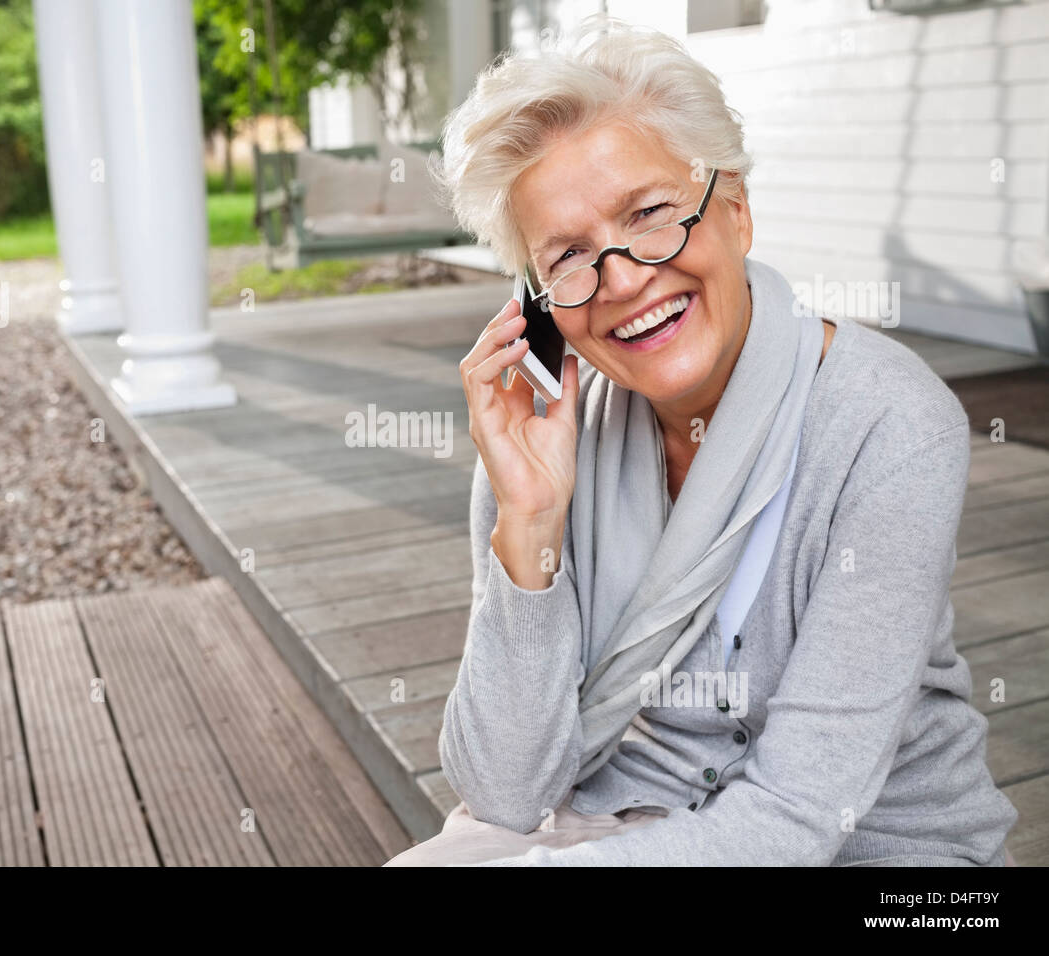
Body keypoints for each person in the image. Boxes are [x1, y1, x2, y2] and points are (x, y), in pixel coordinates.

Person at [384, 14, 1018, 867]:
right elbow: (502, 792)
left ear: (736, 209)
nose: (622, 279)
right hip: (624, 817)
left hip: (881, 855)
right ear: (535, 301)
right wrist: (528, 527)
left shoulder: (892, 424)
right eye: (568, 256)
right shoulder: (537, 445)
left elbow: (797, 817)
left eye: (649, 213)